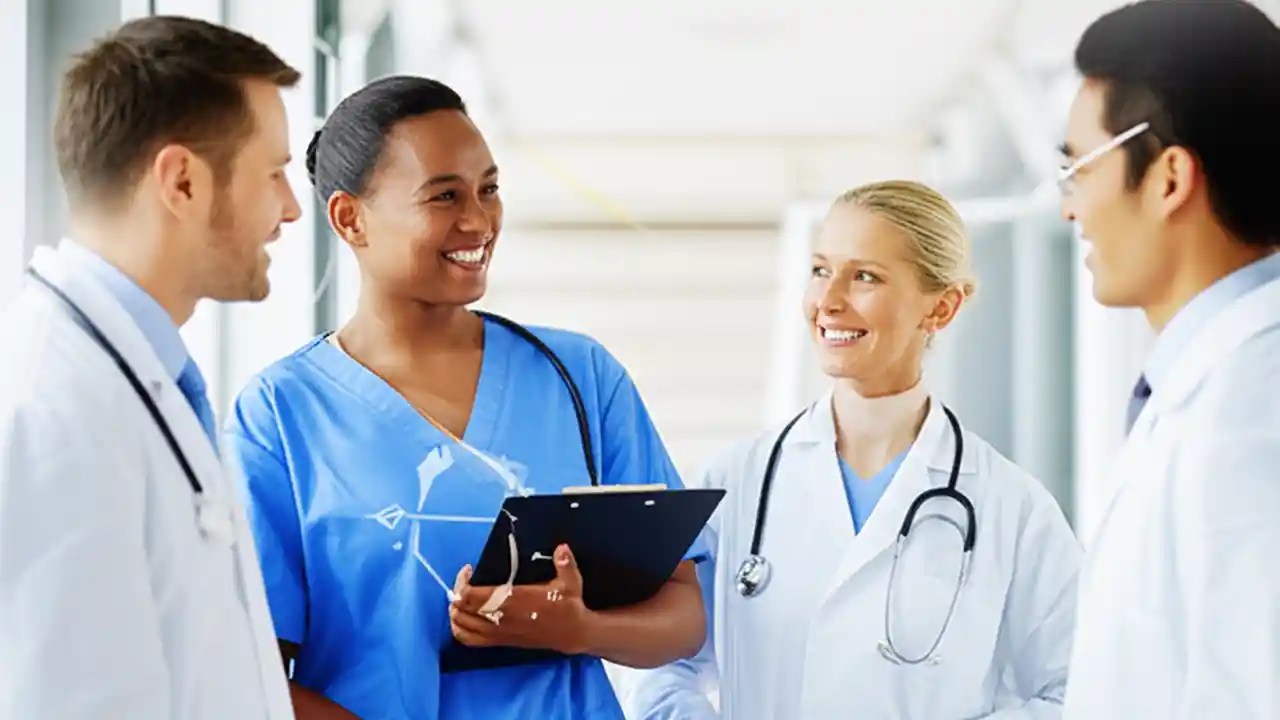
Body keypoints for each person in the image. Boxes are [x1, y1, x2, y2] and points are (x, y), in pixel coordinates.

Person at [223, 74, 707, 720]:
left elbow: (685, 613)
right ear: (350, 218)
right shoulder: (280, 415)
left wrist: (580, 629)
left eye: (489, 190)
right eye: (443, 196)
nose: (478, 220)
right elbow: (245, 672)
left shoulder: (580, 377)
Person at [629, 180, 1081, 720]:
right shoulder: (736, 481)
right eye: (822, 269)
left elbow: (1074, 692)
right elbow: (662, 663)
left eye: (865, 276)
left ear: (942, 308)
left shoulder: (1011, 508)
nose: (829, 300)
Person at [0, 16, 302, 719]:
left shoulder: (134, 378)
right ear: (183, 183)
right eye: (275, 173)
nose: (289, 208)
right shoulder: (56, 406)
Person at [1057, 2, 1280, 717]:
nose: (1070, 209)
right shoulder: (1208, 388)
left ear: (1168, 178)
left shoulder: (1252, 408)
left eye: (1078, 171)